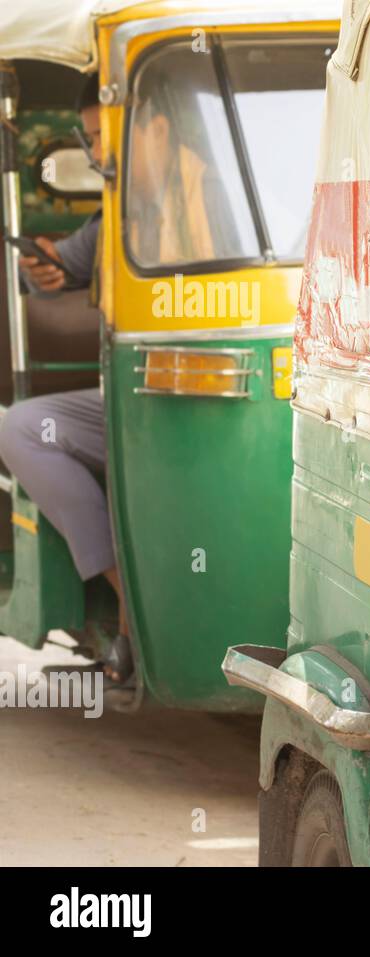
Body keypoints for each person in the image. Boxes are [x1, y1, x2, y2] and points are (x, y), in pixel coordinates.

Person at [0, 75, 133, 682]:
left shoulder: (196, 199)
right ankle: (123, 589)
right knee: (25, 429)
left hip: (174, 397)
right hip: (124, 403)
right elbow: (58, 268)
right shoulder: (111, 213)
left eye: (111, 136)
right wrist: (42, 266)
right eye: (93, 138)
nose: (102, 152)